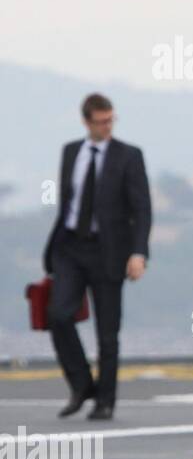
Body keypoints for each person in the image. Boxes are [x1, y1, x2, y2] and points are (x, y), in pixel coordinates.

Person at [45, 93, 151, 422]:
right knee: (58, 315)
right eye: (101, 121)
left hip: (110, 253)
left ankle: (105, 400)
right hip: (71, 248)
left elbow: (142, 209)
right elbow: (69, 203)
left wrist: (138, 252)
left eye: (111, 120)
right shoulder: (71, 152)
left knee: (107, 332)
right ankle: (81, 384)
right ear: (86, 121)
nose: (107, 126)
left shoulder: (129, 156)